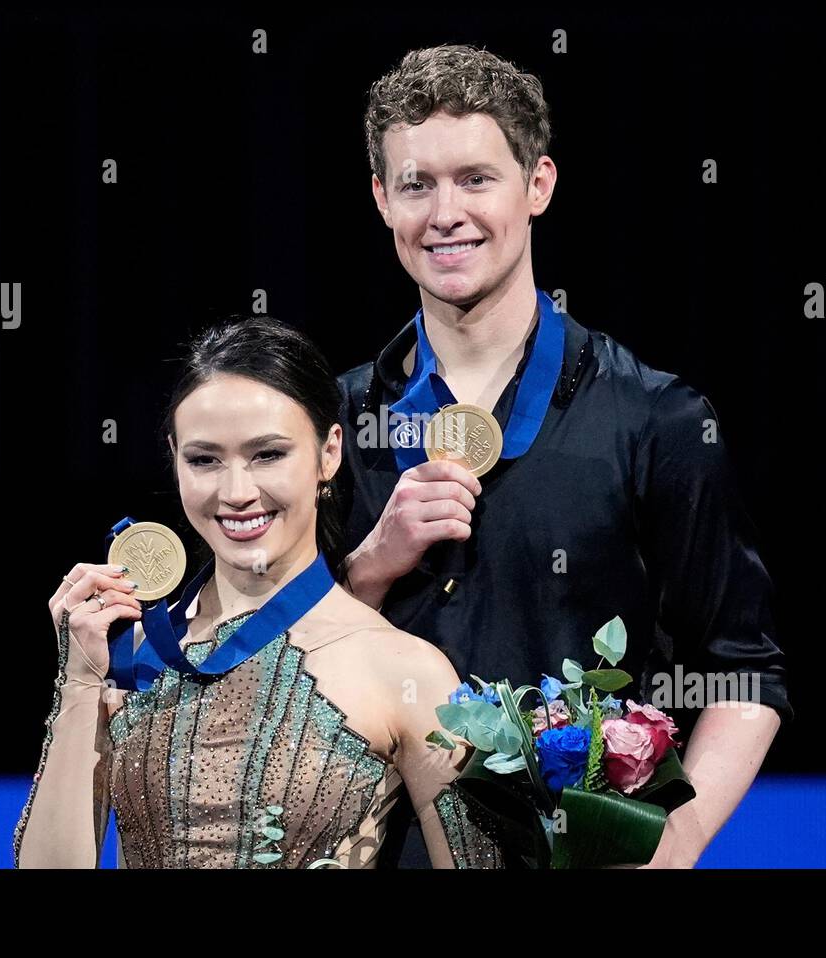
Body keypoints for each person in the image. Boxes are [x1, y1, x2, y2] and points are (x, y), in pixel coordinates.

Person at [336, 44, 792, 868]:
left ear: (537, 185)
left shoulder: (657, 419)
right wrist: (368, 568)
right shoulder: (330, 424)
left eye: (476, 178)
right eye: (416, 184)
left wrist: (671, 845)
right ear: (381, 200)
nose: (445, 213)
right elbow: (269, 673)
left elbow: (744, 674)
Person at [12, 317, 503, 868]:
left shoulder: (407, 671)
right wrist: (78, 682)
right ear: (174, 459)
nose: (237, 492)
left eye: (268, 454)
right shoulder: (127, 653)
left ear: (329, 453)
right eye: (203, 460)